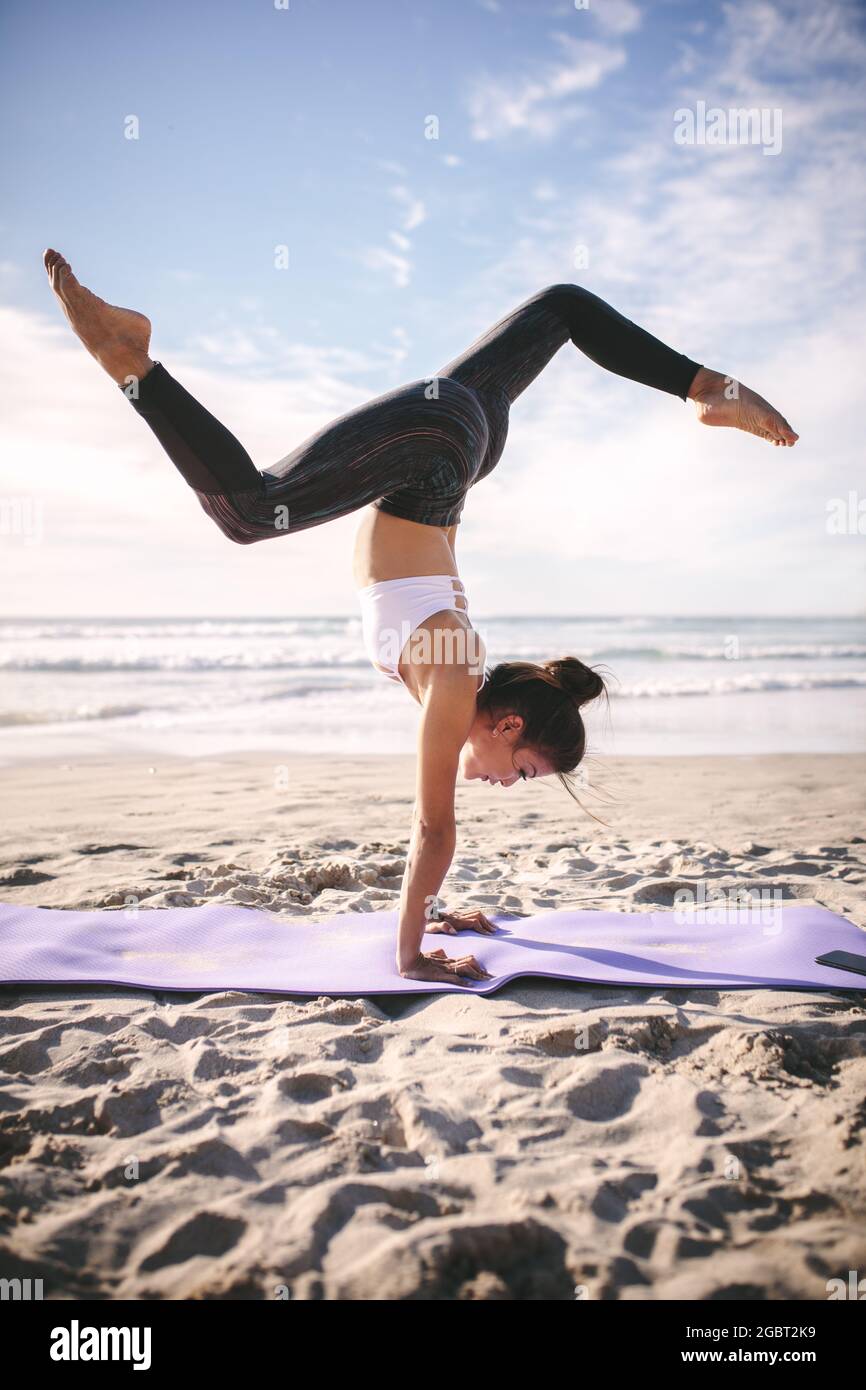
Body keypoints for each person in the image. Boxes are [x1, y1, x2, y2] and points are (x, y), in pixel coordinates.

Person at [42, 249, 798, 985]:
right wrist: (411, 956)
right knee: (246, 512)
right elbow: (435, 831)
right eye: (526, 772)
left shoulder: (458, 663)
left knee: (565, 307)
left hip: (461, 443)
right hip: (435, 452)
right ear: (507, 727)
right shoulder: (456, 684)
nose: (510, 785)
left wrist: (434, 912)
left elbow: (434, 843)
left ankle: (705, 385)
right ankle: (130, 358)